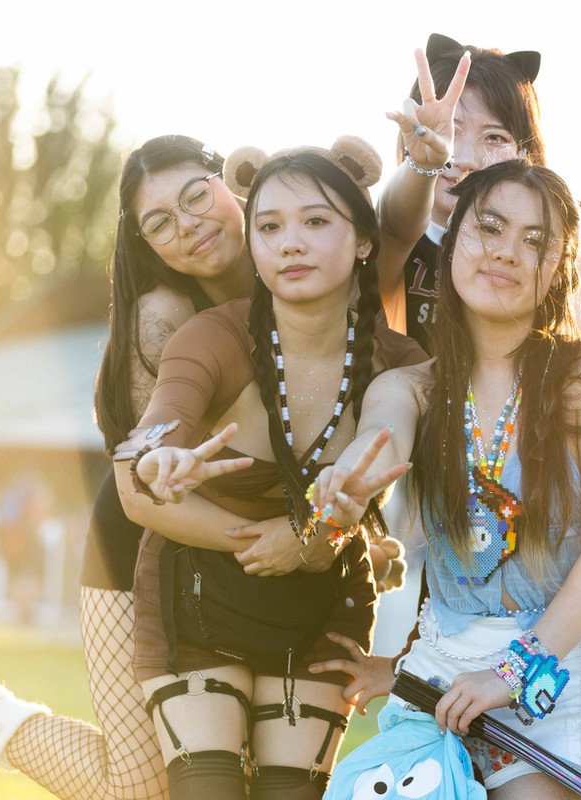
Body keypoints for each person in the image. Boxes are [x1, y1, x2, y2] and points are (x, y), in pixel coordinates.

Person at [0, 135, 264, 800]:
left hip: (247, 551)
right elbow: (155, 487)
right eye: (159, 223)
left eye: (196, 196)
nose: (188, 226)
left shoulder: (304, 261)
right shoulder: (164, 317)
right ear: (146, 246)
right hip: (147, 546)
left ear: (230, 177)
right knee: (138, 789)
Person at [308, 159, 581, 796]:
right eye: (490, 228)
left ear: (558, 269)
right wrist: (348, 485)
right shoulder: (408, 388)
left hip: (563, 670)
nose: (507, 253)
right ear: (451, 243)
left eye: (535, 242)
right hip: (441, 675)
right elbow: (374, 442)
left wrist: (512, 673)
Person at [118, 142, 424, 799]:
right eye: (270, 227)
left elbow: (395, 473)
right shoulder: (208, 336)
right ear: (252, 244)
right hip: (198, 597)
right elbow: (158, 428)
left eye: (316, 223)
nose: (291, 243)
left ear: (365, 242)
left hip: (323, 603)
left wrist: (316, 537)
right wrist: (158, 458)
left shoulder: (401, 364)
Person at [378, 33, 581, 351]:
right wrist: (422, 165)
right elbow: (394, 224)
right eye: (449, 130)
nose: (466, 158)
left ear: (526, 153)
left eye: (495, 137)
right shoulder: (385, 235)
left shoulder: (569, 239)